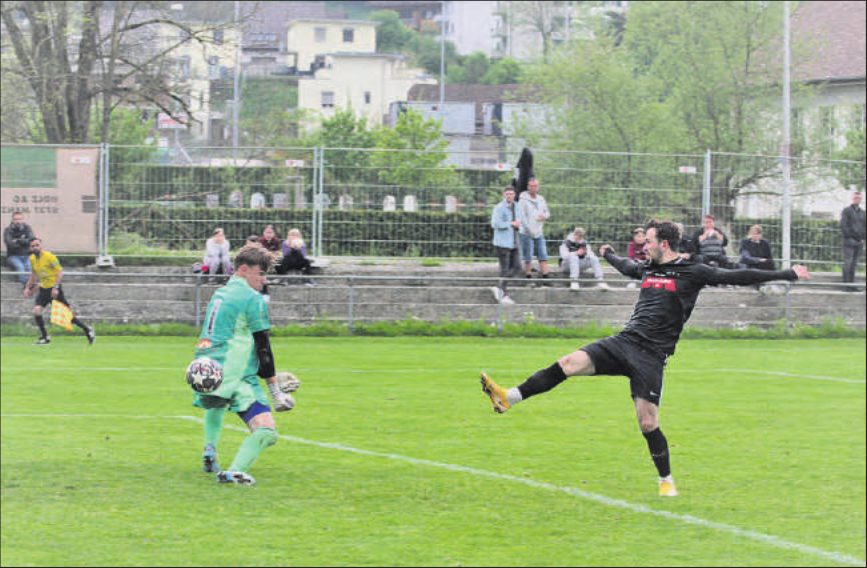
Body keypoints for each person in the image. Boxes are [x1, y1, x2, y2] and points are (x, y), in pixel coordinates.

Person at [479, 219, 810, 497]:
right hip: (623, 342)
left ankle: (666, 481)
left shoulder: (694, 271)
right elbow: (627, 267)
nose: (644, 245)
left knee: (647, 422)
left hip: (651, 355)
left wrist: (787, 274)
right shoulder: (649, 268)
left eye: (648, 241)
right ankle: (509, 397)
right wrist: (608, 254)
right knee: (568, 363)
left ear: (664, 243)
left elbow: (739, 276)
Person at [191, 242, 297, 486]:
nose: (263, 280)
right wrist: (275, 391)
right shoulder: (252, 298)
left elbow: (236, 339)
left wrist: (273, 375)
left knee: (217, 402)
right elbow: (262, 346)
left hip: (205, 368)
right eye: (260, 274)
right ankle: (234, 471)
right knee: (267, 430)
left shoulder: (220, 293)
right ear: (243, 269)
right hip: (234, 373)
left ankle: (210, 449)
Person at [23, 237, 95, 346]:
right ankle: (45, 337)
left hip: (53, 290)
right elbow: (34, 274)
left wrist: (55, 287)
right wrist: (28, 288)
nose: (35, 247)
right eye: (33, 246)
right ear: (30, 248)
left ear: (41, 246)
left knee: (66, 316)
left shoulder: (49, 257)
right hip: (43, 289)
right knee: (37, 311)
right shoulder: (32, 259)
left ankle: (87, 330)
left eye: (37, 245)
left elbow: (60, 272)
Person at [490, 186, 523, 305]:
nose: (509, 196)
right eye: (507, 194)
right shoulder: (499, 208)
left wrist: (519, 225)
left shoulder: (517, 207)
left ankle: (499, 287)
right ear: (504, 195)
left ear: (514, 195)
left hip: (514, 242)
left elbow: (520, 221)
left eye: (511, 194)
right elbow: (495, 224)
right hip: (502, 242)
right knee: (504, 268)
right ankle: (502, 292)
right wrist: (510, 224)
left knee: (517, 267)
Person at [518, 178, 552, 285]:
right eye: (531, 186)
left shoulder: (541, 199)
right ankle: (528, 276)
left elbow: (547, 212)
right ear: (528, 187)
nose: (533, 188)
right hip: (527, 232)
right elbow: (522, 217)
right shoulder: (523, 200)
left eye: (535, 186)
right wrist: (529, 229)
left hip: (539, 231)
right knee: (528, 254)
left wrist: (544, 216)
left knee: (542, 253)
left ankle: (545, 276)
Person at [841, 190, 865, 290]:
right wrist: (850, 237)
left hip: (859, 242)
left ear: (861, 199)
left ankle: (852, 284)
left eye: (859, 198)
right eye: (855, 198)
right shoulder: (847, 210)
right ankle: (846, 285)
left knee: (854, 264)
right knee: (848, 263)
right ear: (852, 198)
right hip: (849, 241)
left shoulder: (863, 213)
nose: (857, 199)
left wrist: (863, 238)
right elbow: (844, 225)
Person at [3, 212, 35, 286]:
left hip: (26, 255)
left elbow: (31, 241)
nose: (18, 221)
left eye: (20, 219)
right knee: (20, 267)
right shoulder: (7, 230)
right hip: (13, 256)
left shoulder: (28, 228)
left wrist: (17, 240)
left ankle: (31, 285)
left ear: (22, 220)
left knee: (29, 267)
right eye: (16, 219)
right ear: (13, 220)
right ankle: (25, 285)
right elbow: (10, 244)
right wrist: (24, 241)